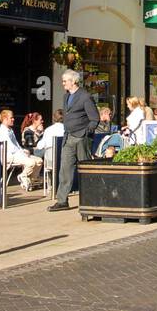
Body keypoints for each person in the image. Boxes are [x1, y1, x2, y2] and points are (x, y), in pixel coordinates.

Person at [49, 70, 99, 212]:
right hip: (68, 137)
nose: (63, 83)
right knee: (65, 169)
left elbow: (94, 118)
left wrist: (85, 133)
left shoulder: (85, 96)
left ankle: (90, 197)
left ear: (73, 81)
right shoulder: (66, 96)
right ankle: (62, 200)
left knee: (85, 168)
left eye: (65, 81)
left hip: (81, 137)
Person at [0, 108, 43, 191]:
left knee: (39, 161)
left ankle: (29, 180)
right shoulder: (3, 131)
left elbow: (16, 144)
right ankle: (22, 176)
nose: (13, 119)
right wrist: (23, 152)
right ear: (5, 119)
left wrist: (23, 151)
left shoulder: (10, 130)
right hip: (10, 155)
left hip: (17, 153)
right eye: (11, 118)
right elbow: (11, 147)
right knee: (31, 162)